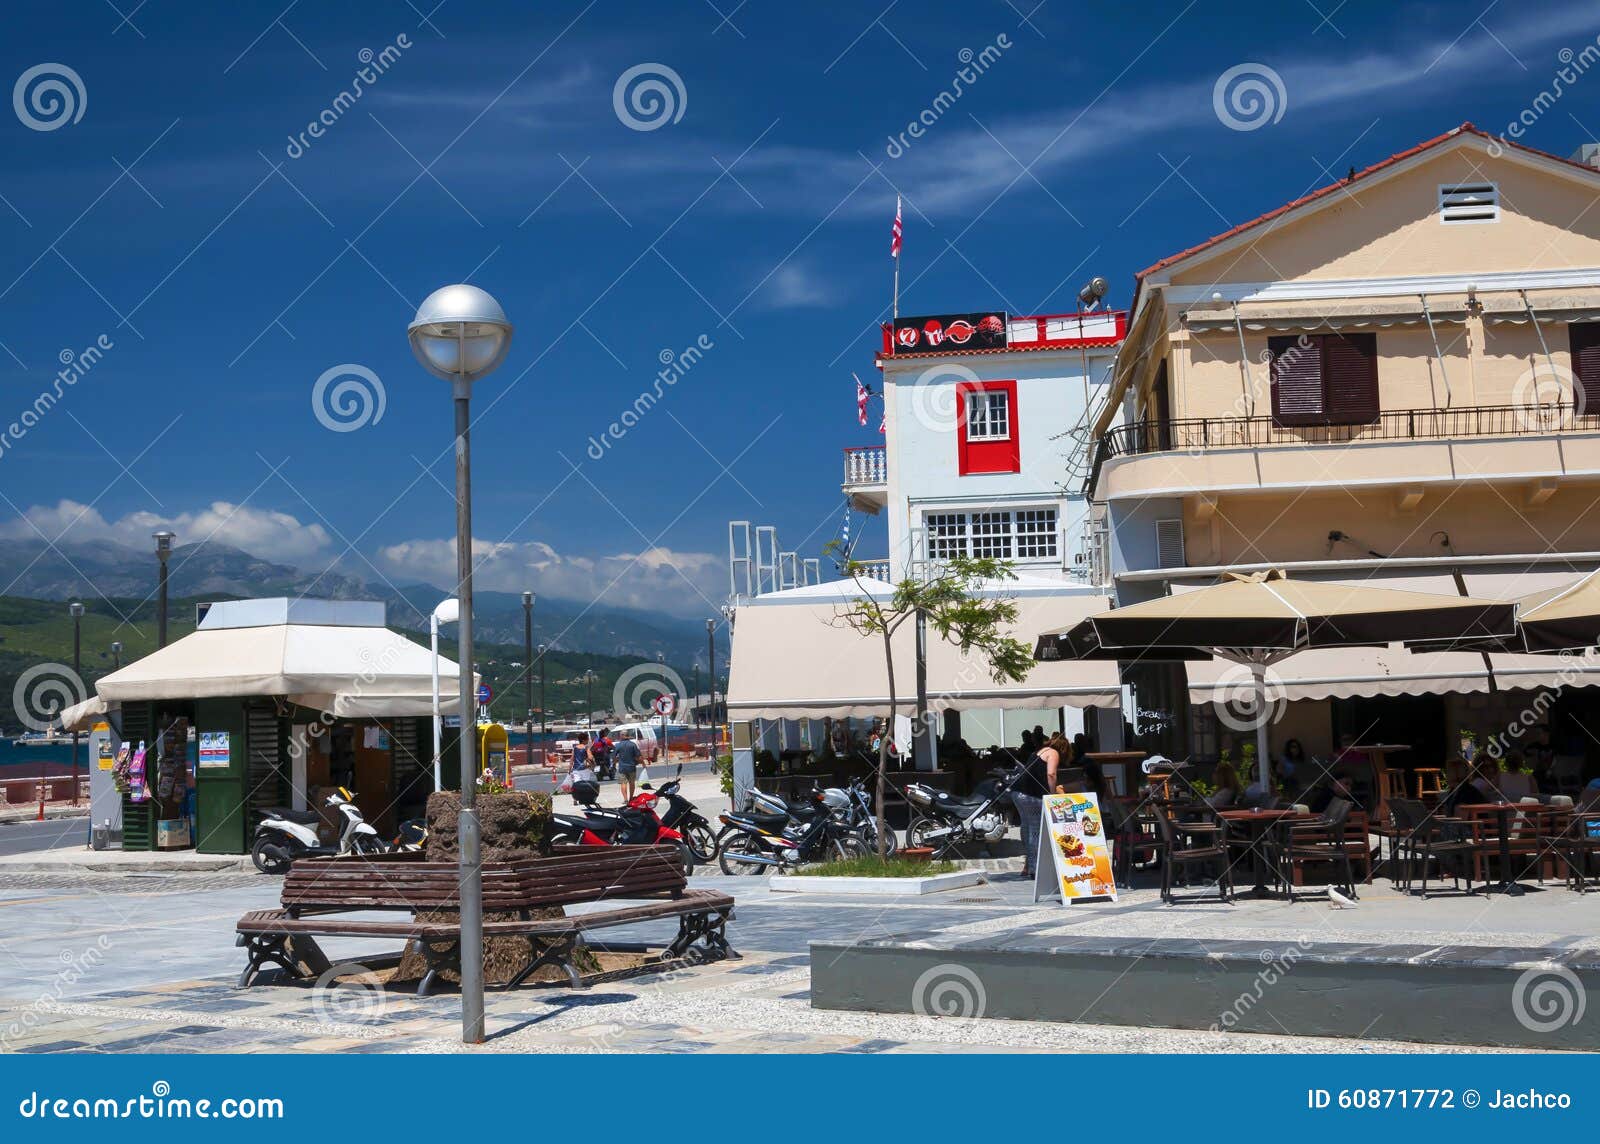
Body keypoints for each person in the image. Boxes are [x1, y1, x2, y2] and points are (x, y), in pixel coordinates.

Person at [1015, 733, 1064, 879]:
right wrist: (1052, 794)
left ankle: (1028, 865)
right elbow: (1051, 774)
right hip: (1033, 796)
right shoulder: (1053, 753)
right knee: (1036, 831)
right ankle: (1035, 869)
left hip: (1020, 794)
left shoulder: (1039, 751)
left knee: (1027, 828)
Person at [612, 731, 642, 801]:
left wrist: (615, 762)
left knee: (623, 783)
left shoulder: (618, 745)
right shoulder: (633, 745)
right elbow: (638, 756)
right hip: (632, 767)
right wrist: (641, 763)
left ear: (622, 736)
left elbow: (614, 756)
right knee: (632, 783)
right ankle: (631, 798)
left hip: (622, 767)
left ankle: (625, 799)